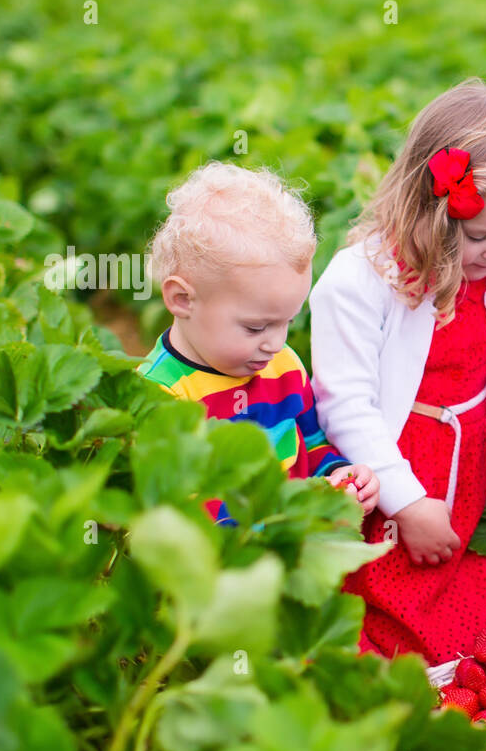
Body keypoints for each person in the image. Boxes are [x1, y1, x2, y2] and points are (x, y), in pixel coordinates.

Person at [309, 78, 486, 665]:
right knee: (393, 609)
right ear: (429, 211)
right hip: (394, 475)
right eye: (480, 235)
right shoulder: (361, 281)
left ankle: (479, 702)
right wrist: (408, 504)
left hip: (476, 481)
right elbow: (345, 407)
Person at [137, 161, 379, 525]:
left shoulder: (282, 366)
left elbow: (310, 446)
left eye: (288, 322)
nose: (276, 343)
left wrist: (339, 477)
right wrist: (290, 512)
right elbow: (182, 513)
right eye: (255, 328)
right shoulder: (162, 396)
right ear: (183, 300)